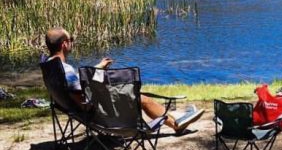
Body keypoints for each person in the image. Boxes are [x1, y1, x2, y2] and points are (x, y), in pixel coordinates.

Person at [43, 27, 204, 134]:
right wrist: (103, 97)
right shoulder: (67, 71)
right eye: (71, 40)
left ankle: (175, 117)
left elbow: (78, 85)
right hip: (99, 116)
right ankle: (176, 125)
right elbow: (82, 98)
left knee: (131, 94)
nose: (72, 43)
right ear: (64, 44)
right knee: (139, 98)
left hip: (75, 110)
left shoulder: (51, 65)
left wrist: (98, 67)